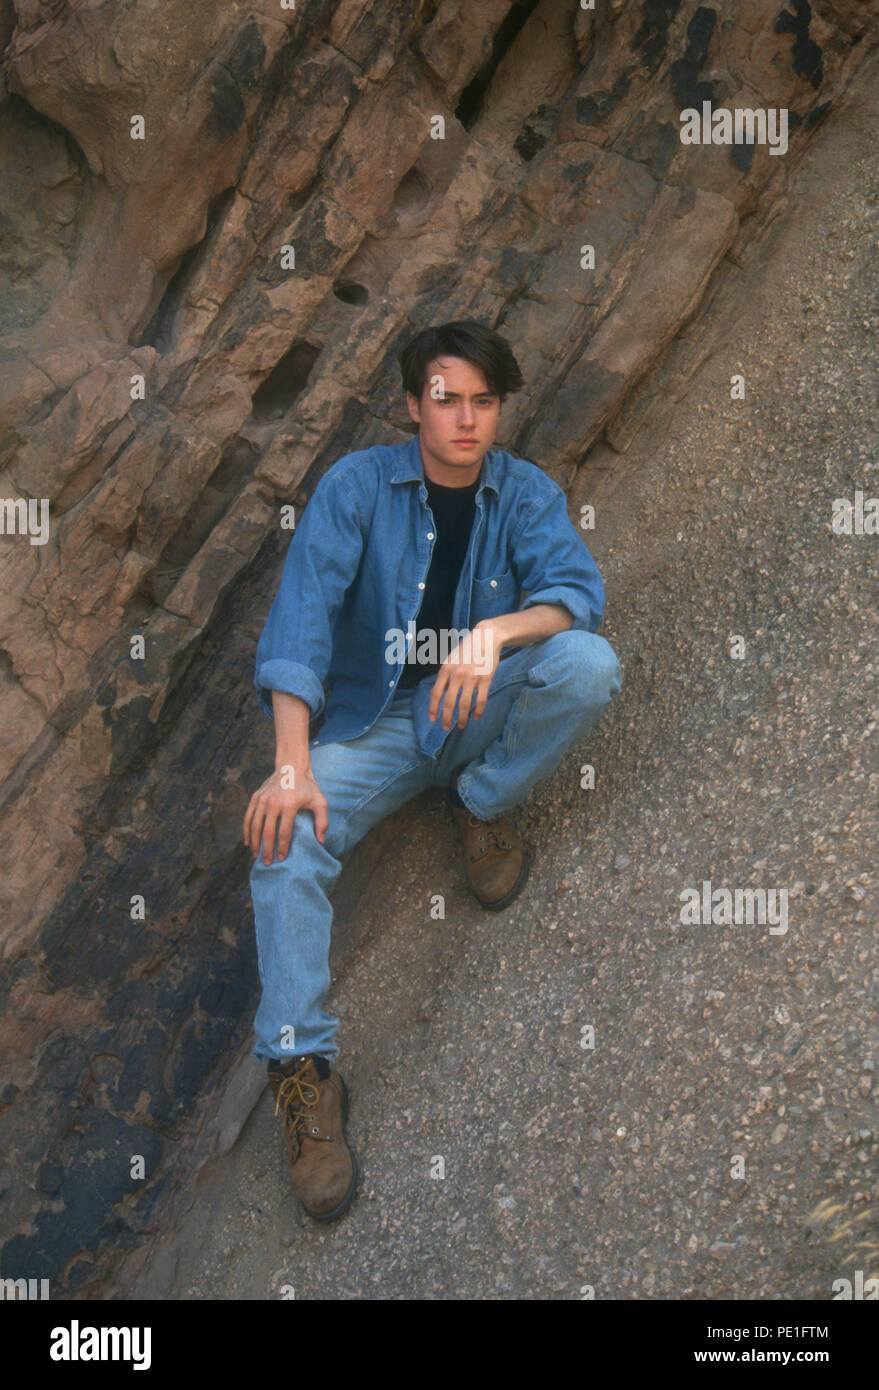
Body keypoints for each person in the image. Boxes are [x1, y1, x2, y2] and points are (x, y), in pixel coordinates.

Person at [242, 320, 622, 1221]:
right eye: (445, 399)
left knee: (587, 665)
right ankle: (304, 1076)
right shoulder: (357, 487)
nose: (465, 420)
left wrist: (493, 632)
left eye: (483, 402)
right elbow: (297, 625)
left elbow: (577, 596)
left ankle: (480, 798)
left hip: (473, 710)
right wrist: (290, 767)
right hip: (375, 724)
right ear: (414, 404)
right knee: (283, 835)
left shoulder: (524, 492)